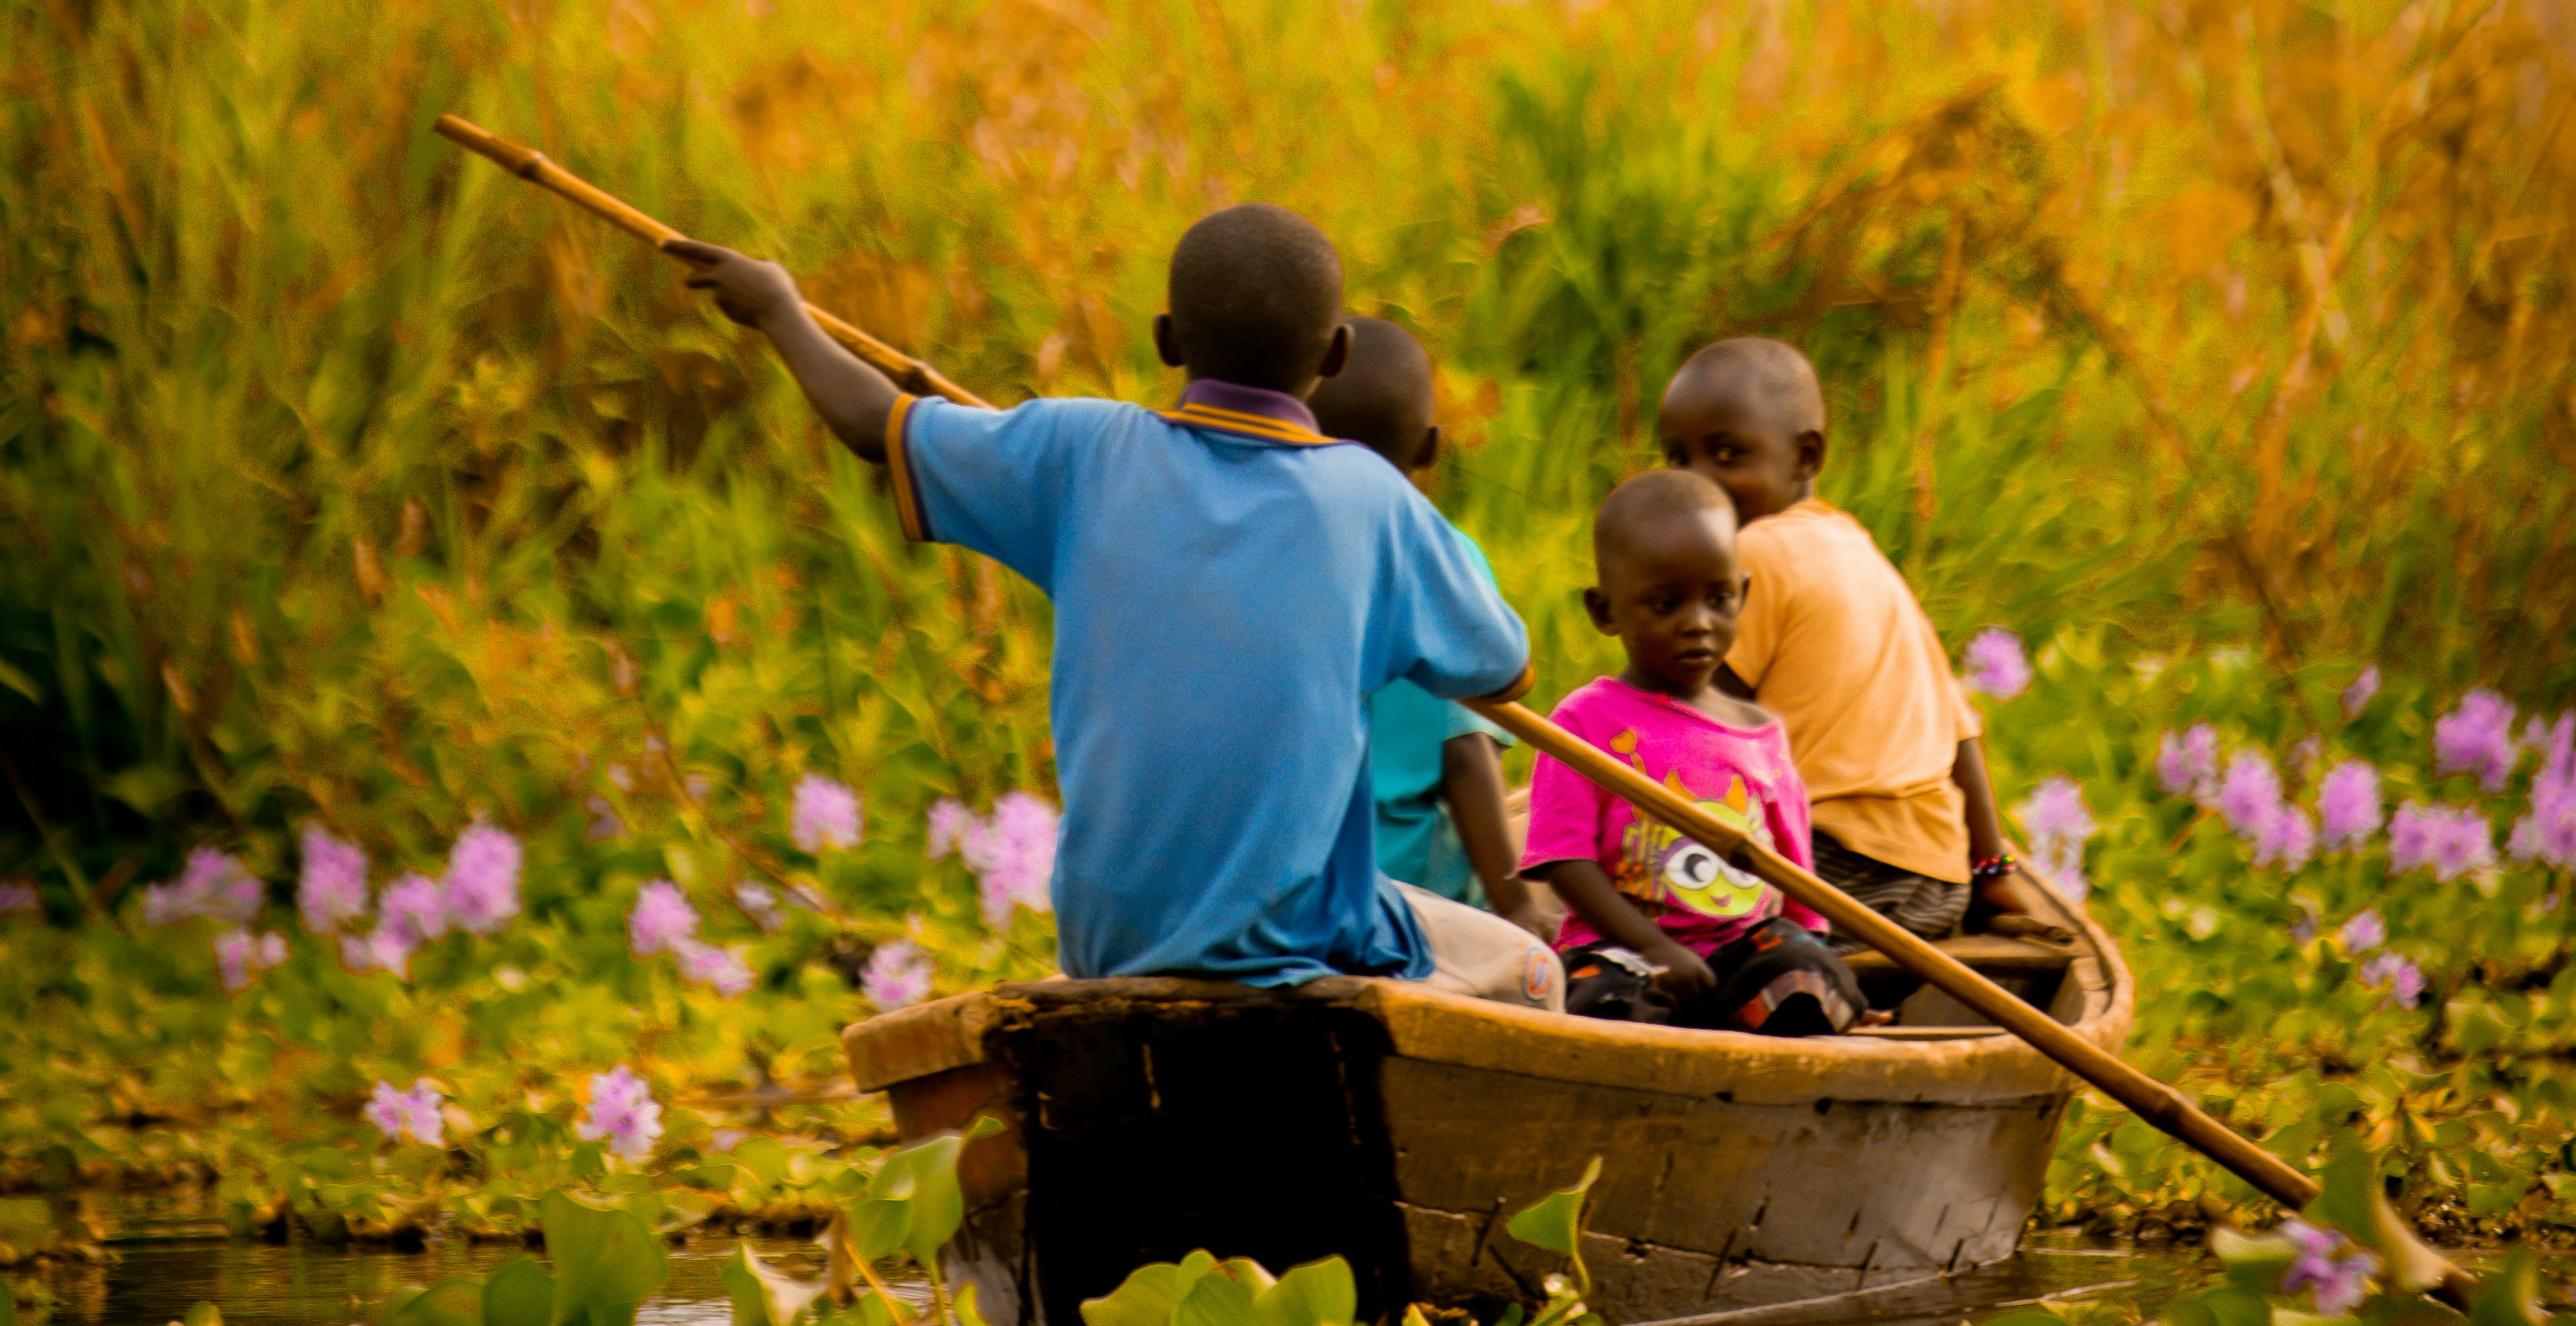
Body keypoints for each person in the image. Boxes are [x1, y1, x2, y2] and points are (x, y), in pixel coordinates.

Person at [667, 199, 1562, 1009]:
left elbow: (877, 425)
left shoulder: (1080, 450)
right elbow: (1502, 664)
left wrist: (779, 307)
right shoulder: (1373, 499)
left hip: (1109, 940)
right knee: (1534, 971)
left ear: (1169, 340)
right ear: (1332, 359)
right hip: (1304, 944)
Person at [1657, 336, 2023, 941]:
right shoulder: (1861, 550)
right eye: (1677, 461)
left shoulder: (1750, 554)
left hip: (1830, 879)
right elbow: (1961, 733)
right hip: (1936, 888)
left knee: (1624, 914)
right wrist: (1992, 869)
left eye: (1727, 456)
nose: (1698, 485)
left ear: (1805, 457)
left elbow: (1682, 737)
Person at [1518, 469, 1867, 1035]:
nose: (1699, 624)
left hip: (1736, 954)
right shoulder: (1584, 723)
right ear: (1605, 612)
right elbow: (1565, 861)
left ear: (1744, 595)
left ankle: (1788, 1027)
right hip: (1625, 952)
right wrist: (1656, 949)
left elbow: (1799, 886)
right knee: (1597, 996)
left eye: (1719, 598)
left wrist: (1816, 960)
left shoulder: (1761, 736)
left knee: (1800, 967)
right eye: (1666, 604)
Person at [1311, 317, 1559, 941]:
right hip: (1411, 903)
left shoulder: (1274, 558)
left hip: (1295, 887)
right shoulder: (1444, 559)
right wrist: (1518, 908)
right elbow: (1466, 759)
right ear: (1428, 448)